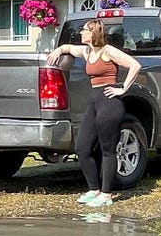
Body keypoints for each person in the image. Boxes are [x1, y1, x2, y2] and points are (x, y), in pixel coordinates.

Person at [47, 18, 142, 207]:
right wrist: (58, 50)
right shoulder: (87, 51)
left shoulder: (108, 51)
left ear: (93, 33)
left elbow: (135, 65)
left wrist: (122, 88)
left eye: (84, 30)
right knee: (82, 147)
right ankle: (93, 190)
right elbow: (68, 48)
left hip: (109, 103)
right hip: (94, 102)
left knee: (108, 150)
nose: (81, 33)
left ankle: (106, 195)